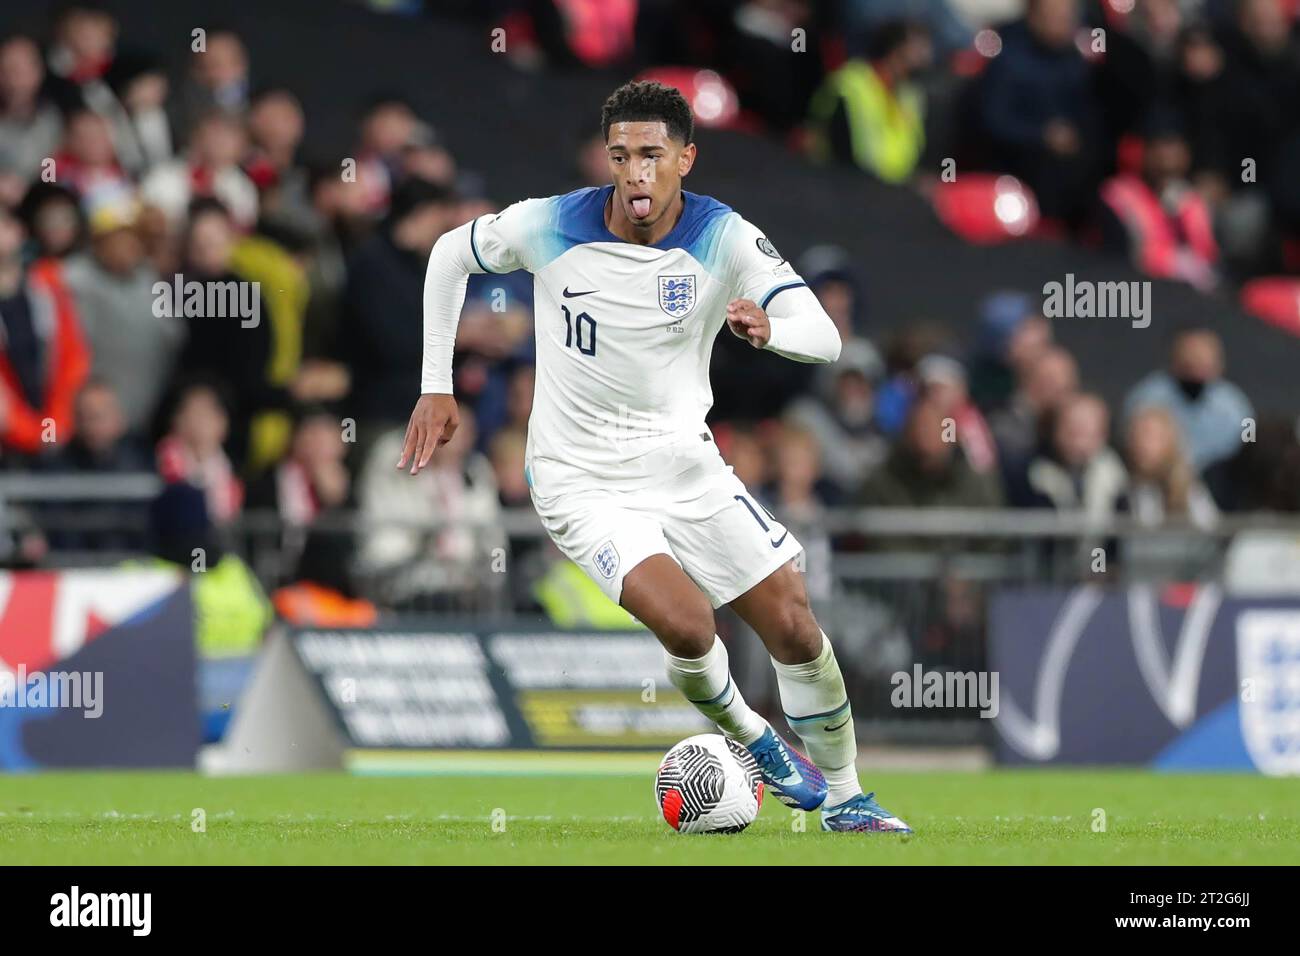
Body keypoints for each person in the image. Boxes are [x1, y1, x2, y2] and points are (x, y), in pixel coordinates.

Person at [397, 81, 907, 833]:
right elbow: (449, 254)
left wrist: (772, 330)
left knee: (796, 624)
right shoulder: (552, 224)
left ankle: (847, 795)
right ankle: (757, 739)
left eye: (651, 155)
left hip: (683, 464)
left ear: (685, 160)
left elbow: (824, 334)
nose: (635, 172)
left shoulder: (722, 236)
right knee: (691, 624)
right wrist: (435, 386)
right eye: (621, 156)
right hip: (580, 479)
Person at [1122, 324, 1252, 473]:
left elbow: (1250, 440)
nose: (1197, 370)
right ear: (1175, 360)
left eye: (1204, 364)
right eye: (1190, 362)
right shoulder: (1148, 396)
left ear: (1218, 365)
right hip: (1158, 477)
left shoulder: (1235, 404)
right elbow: (1130, 440)